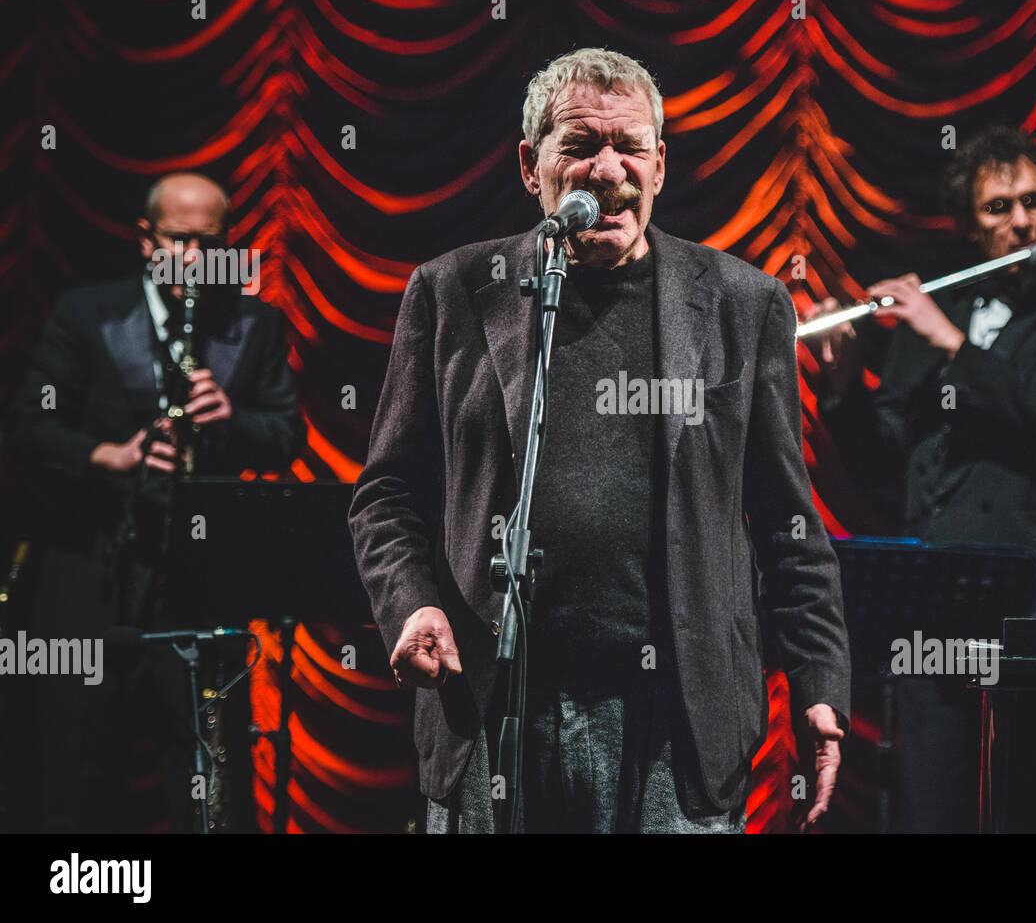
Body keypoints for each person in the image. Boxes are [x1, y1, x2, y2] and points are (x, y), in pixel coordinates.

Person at [349, 48, 851, 833]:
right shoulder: (450, 292)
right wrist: (411, 605)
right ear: (531, 165)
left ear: (660, 163)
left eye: (631, 146)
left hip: (671, 716)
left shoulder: (742, 305)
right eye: (581, 145)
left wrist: (819, 679)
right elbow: (386, 494)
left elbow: (789, 520)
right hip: (491, 709)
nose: (607, 168)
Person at [807, 125, 1036, 830]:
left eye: (1033, 202)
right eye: (999, 208)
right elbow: (880, 465)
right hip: (940, 606)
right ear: (970, 224)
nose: (1021, 220)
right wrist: (842, 383)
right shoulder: (939, 309)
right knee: (933, 803)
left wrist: (952, 344)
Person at [6, 172, 305, 831]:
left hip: (203, 584)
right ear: (146, 240)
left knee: (207, 772)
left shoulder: (254, 324)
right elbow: (30, 425)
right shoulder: (87, 313)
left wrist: (231, 419)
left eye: (210, 243)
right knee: (77, 768)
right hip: (93, 575)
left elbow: (287, 434)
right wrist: (113, 455)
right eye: (178, 241)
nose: (194, 260)